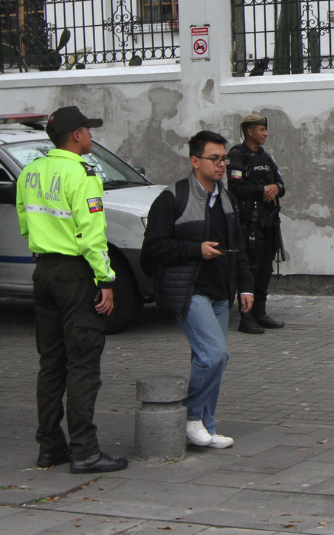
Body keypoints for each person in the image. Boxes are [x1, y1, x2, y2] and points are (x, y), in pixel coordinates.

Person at [16, 106, 126, 474]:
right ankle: (85, 451)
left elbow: (24, 221)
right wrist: (105, 280)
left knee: (51, 363)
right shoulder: (82, 173)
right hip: (76, 276)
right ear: (76, 135)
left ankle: (50, 447)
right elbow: (92, 234)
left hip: (43, 271)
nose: (91, 137)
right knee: (82, 364)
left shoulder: (31, 171)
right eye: (88, 131)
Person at [142, 130, 254, 449]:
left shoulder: (226, 197)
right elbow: (153, 247)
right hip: (189, 290)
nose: (221, 165)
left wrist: (246, 286)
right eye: (214, 159)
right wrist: (195, 250)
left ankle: (207, 423)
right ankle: (192, 419)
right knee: (214, 354)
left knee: (210, 358)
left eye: (224, 159)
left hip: (220, 292)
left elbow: (239, 248)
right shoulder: (173, 197)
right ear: (195, 161)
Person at [226, 114, 286, 334]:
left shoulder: (265, 156)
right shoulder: (237, 155)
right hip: (248, 224)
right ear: (249, 131)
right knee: (249, 269)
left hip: (269, 224)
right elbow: (235, 188)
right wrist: (263, 190)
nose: (266, 133)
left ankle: (260, 313)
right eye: (261, 129)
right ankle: (246, 317)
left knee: (265, 269)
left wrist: (276, 188)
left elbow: (281, 183)